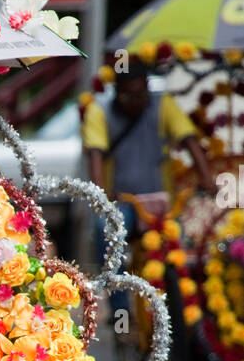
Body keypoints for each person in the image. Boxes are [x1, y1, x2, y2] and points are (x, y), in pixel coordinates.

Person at [82, 62, 213, 312]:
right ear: (116, 90)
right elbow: (95, 157)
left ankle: (190, 315)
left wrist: (206, 179)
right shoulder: (99, 111)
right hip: (123, 203)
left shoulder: (162, 104)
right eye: (128, 96)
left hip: (163, 202)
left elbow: (190, 140)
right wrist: (101, 195)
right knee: (107, 234)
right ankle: (121, 310)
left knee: (189, 248)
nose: (136, 102)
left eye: (142, 95)